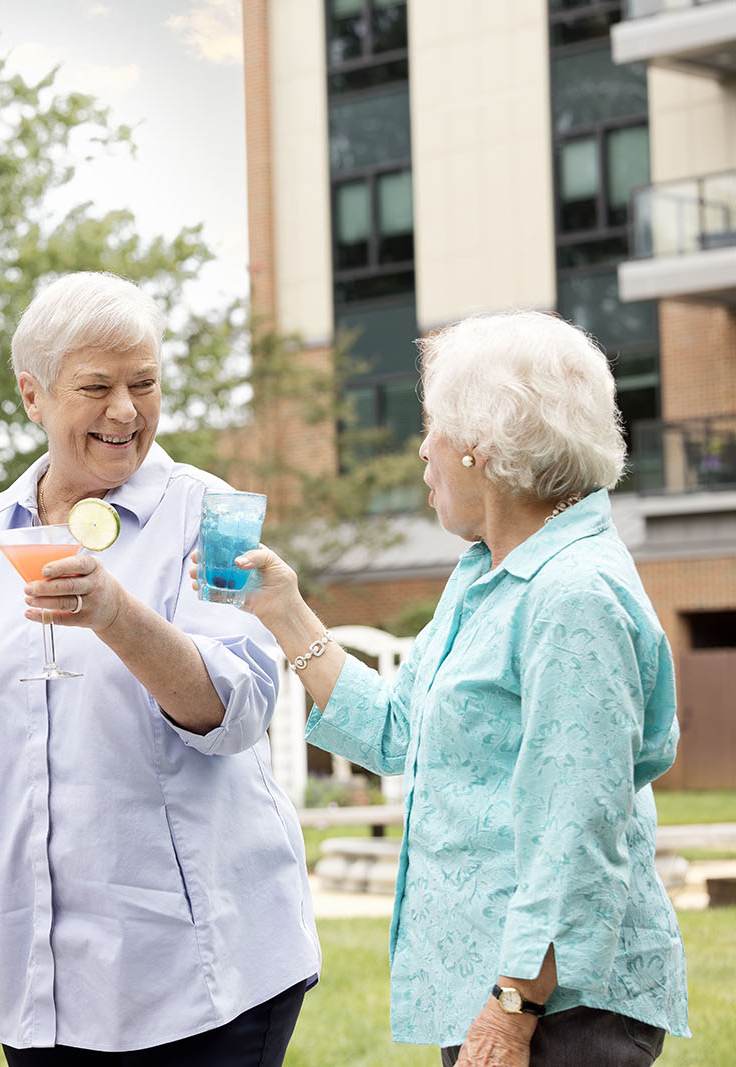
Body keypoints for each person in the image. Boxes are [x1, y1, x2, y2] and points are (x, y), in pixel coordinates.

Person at [210, 310, 689, 1066]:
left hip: (558, 1009)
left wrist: (511, 1009)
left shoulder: (572, 596)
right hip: (502, 992)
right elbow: (398, 732)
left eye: (433, 426)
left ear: (483, 449)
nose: (422, 448)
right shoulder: (486, 574)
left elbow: (576, 833)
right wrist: (284, 609)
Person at [0, 272, 320, 1065]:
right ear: (32, 395)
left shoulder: (216, 516)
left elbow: (237, 707)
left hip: (201, 971)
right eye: (96, 386)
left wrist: (113, 613)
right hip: (42, 970)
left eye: (144, 383)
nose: (126, 410)